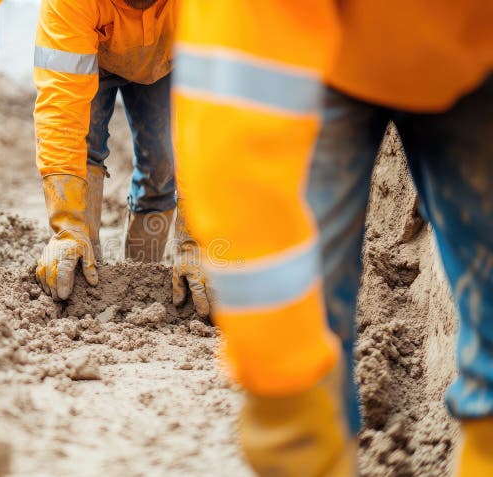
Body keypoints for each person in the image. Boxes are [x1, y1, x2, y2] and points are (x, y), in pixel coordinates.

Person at [173, 1, 493, 475]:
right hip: (321, 56)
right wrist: (290, 412)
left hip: (477, 51)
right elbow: (238, 163)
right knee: (306, 291)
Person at [32, 0, 210, 316]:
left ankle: (145, 277)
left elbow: (210, 119)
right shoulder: (70, 5)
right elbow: (62, 112)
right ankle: (87, 280)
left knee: (162, 164)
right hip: (93, 54)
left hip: (170, 58)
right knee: (84, 146)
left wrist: (197, 239)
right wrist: (67, 227)